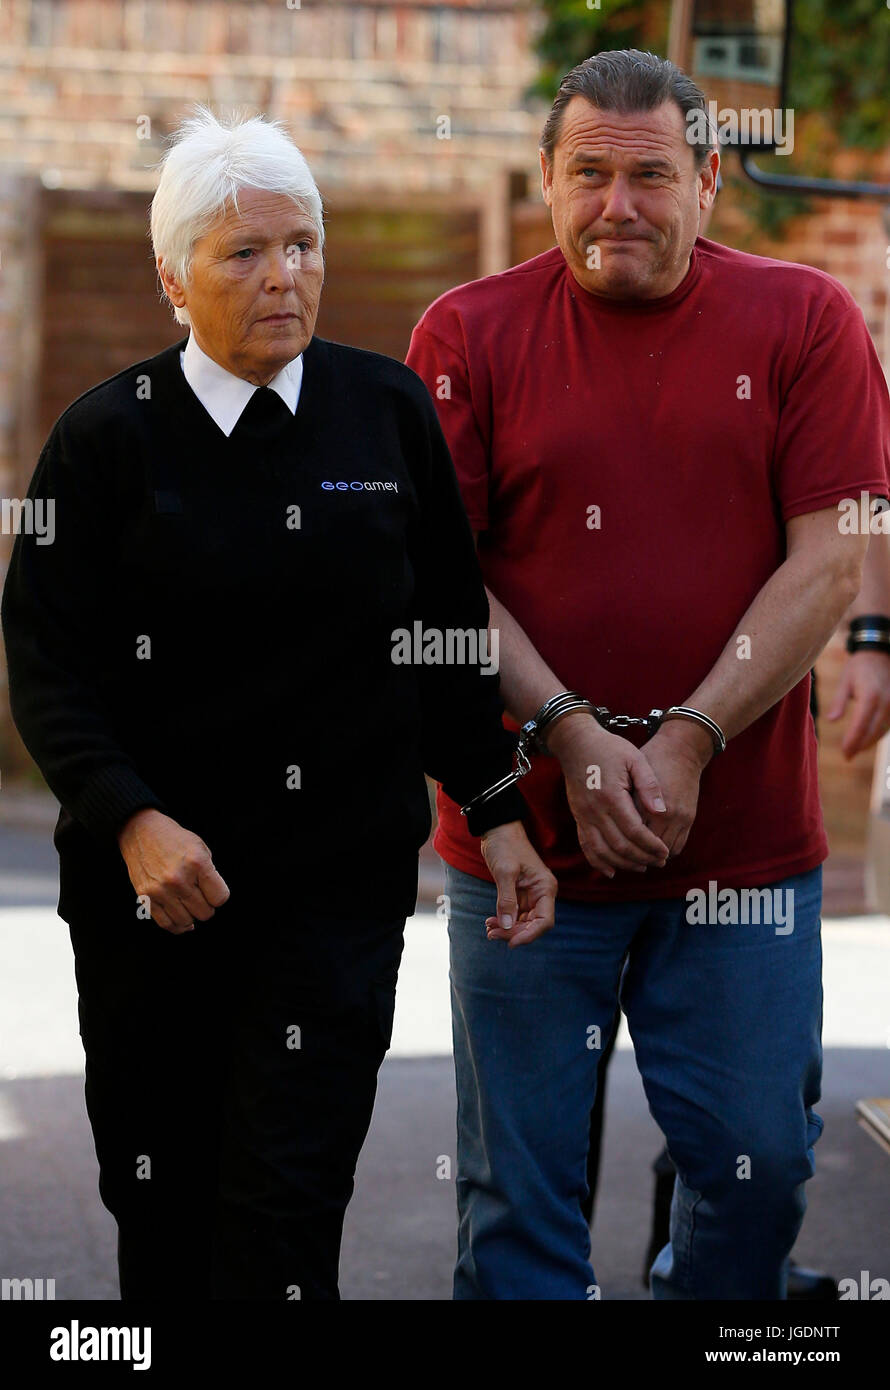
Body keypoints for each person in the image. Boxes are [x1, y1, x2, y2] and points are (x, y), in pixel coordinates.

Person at [1, 106, 556, 1301]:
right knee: (161, 1206)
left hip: (334, 896)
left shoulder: (386, 412)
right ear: (170, 278)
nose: (283, 275)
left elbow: (444, 635)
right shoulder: (105, 439)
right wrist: (134, 821)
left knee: (286, 1207)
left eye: (301, 244)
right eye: (243, 254)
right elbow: (48, 662)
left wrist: (498, 806)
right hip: (153, 903)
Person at [406, 49, 890, 1299]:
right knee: (515, 1203)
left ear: (709, 180)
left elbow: (832, 559)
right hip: (521, 853)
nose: (616, 205)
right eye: (588, 175)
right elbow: (435, 575)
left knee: (759, 1164)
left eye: (649, 176)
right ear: (546, 180)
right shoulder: (464, 331)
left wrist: (681, 739)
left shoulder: (803, 320)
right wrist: (568, 731)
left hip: (735, 849)